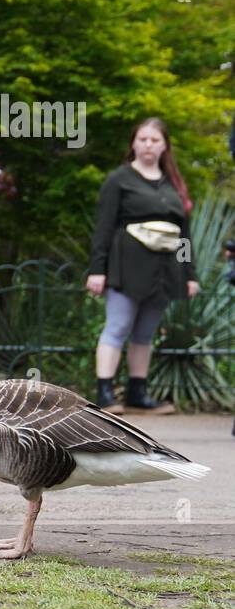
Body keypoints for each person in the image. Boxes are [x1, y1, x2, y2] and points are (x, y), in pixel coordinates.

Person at [87, 117, 197, 413]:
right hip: (126, 267)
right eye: (143, 139)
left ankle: (138, 393)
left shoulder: (173, 184)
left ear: (165, 146)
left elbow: (183, 235)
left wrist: (189, 274)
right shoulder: (119, 179)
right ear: (133, 143)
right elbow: (104, 228)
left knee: (145, 333)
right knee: (118, 325)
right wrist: (97, 269)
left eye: (155, 140)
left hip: (165, 270)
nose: (148, 145)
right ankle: (105, 393)